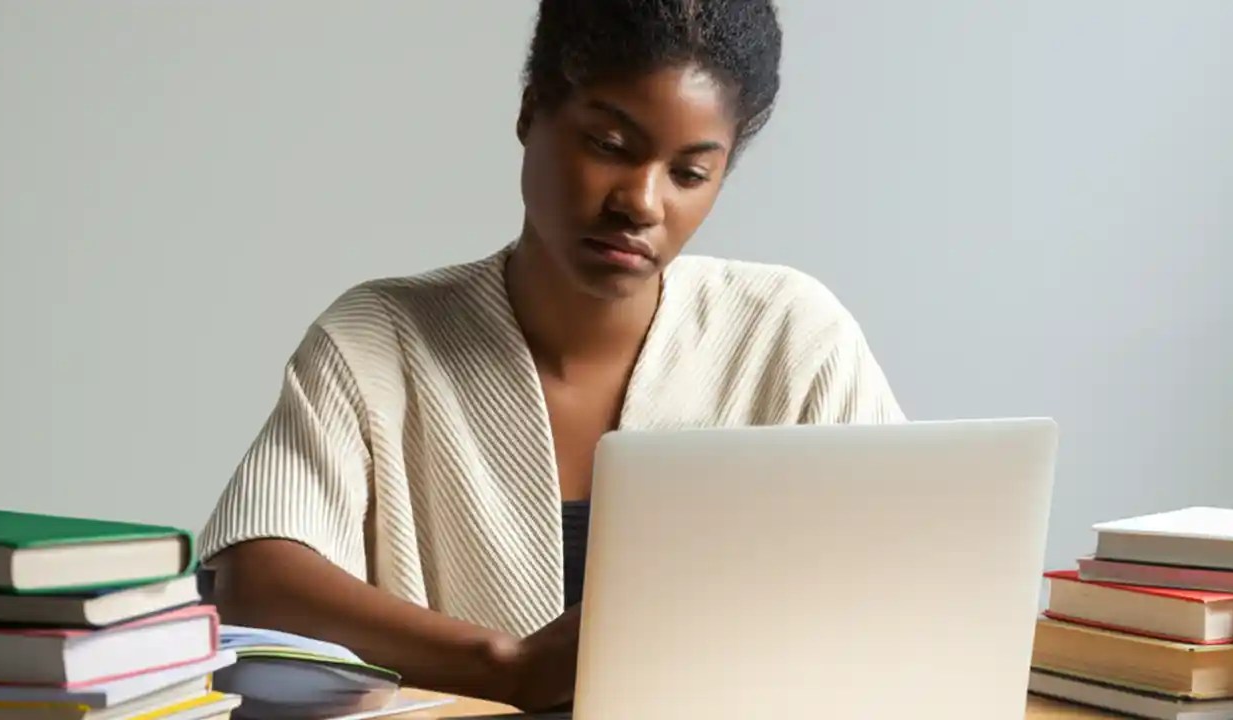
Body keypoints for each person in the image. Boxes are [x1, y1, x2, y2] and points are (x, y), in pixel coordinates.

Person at [200, 0, 903, 712]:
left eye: (688, 174)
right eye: (608, 143)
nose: (641, 202)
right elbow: (257, 577)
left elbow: (914, 573)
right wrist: (506, 667)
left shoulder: (792, 335)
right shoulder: (377, 339)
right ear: (532, 112)